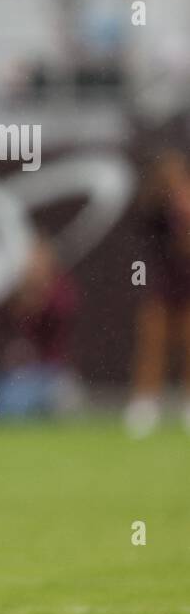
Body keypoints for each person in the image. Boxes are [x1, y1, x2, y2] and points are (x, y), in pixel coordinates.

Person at [125, 147, 190, 436]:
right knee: (152, 346)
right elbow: (143, 220)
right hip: (161, 290)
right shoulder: (155, 212)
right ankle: (145, 405)